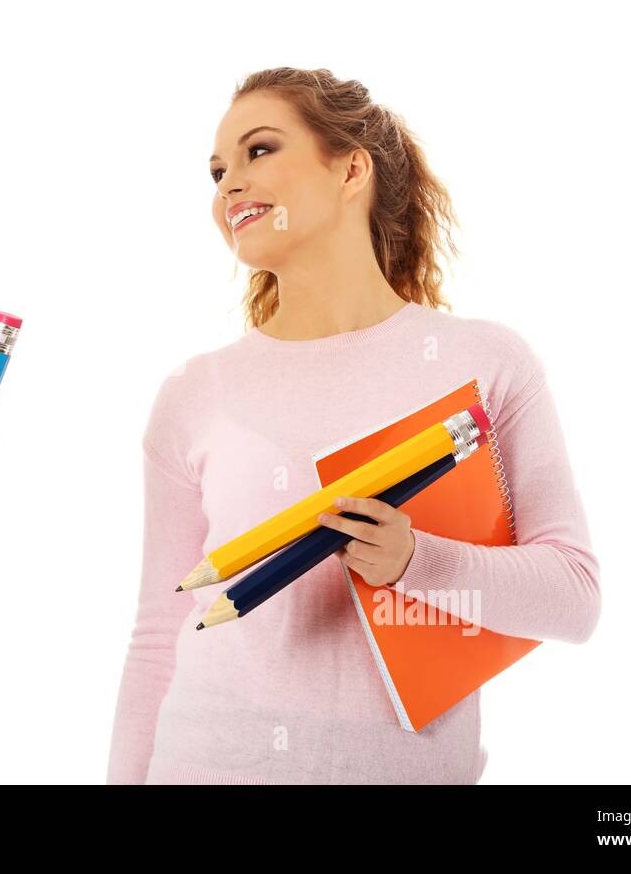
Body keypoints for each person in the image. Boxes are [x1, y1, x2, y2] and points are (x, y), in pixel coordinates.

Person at [106, 67, 601, 784]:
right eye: (216, 171)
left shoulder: (487, 364)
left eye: (260, 150)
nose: (228, 186)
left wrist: (416, 562)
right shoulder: (195, 392)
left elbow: (574, 598)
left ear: (351, 169)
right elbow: (159, 633)